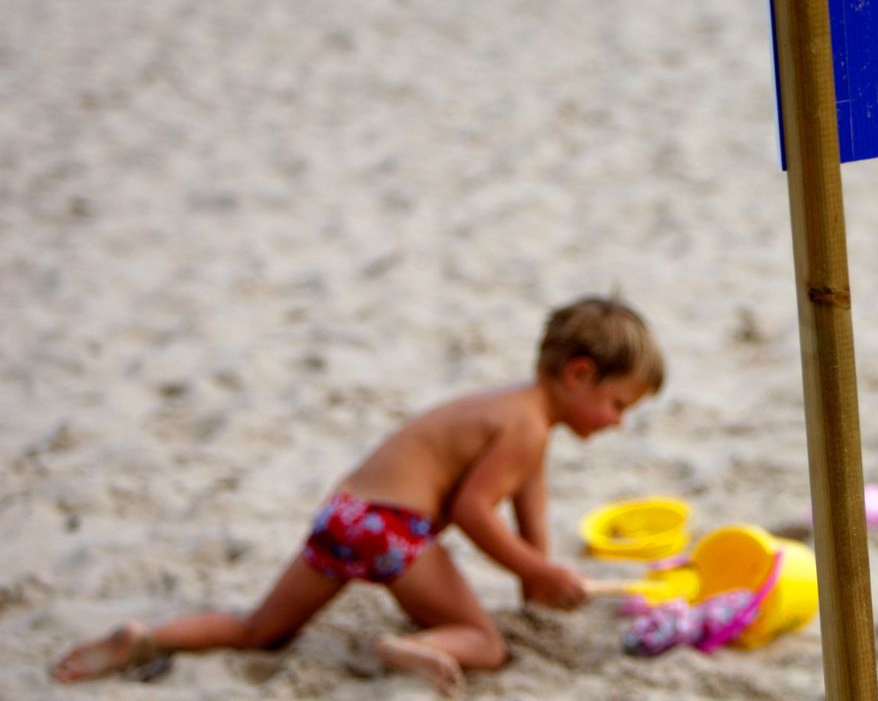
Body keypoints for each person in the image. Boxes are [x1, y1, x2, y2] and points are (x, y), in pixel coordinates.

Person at [50, 296, 665, 697]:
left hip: (345, 513)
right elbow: (473, 512)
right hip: (393, 529)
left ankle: (147, 638)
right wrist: (535, 568)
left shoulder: (519, 414)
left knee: (259, 628)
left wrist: (539, 574)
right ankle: (413, 646)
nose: (617, 422)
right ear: (579, 373)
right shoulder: (526, 427)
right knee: (484, 641)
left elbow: (529, 503)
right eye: (618, 405)